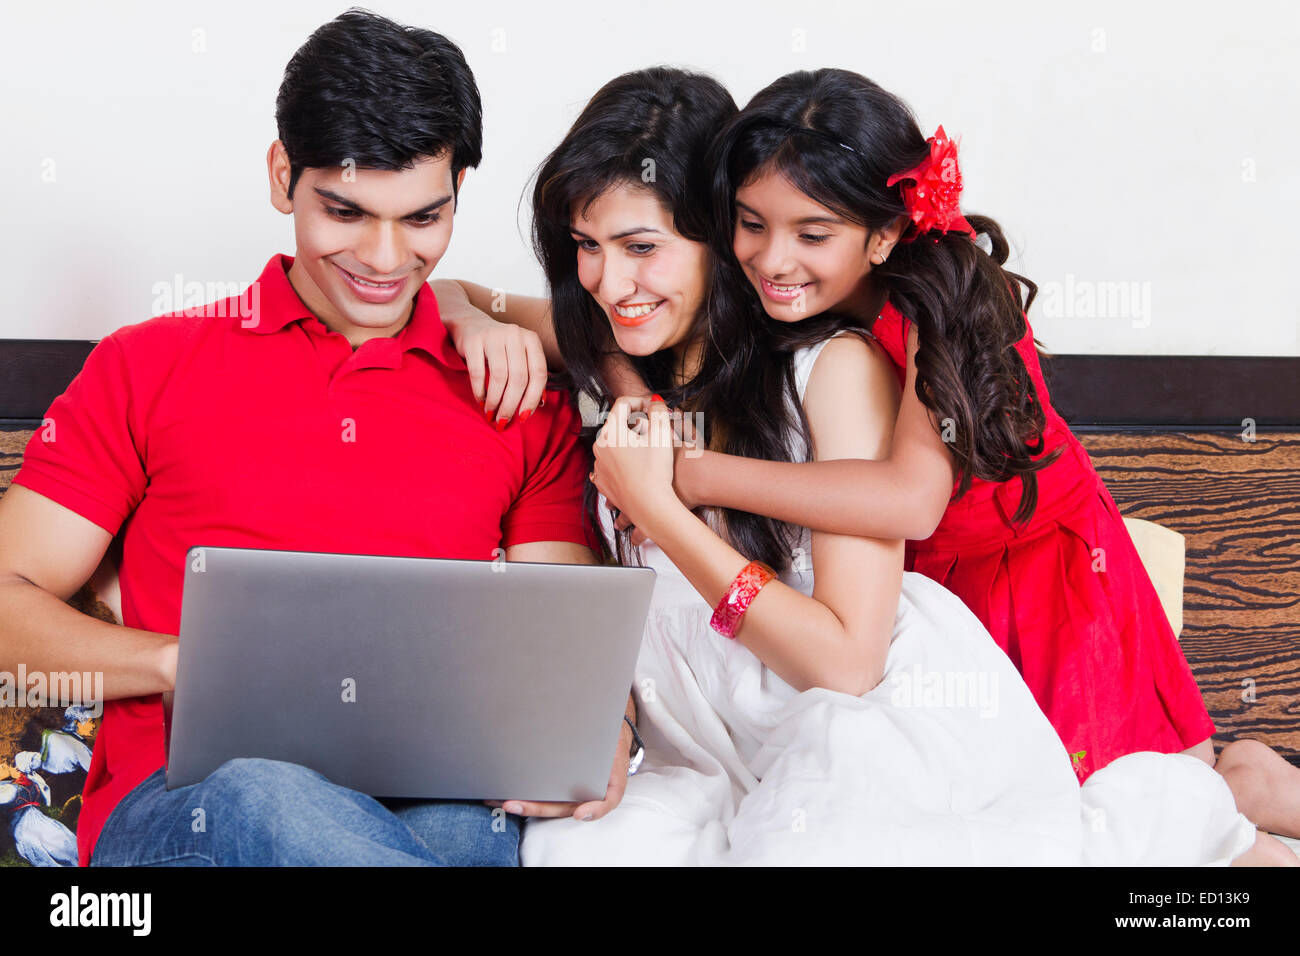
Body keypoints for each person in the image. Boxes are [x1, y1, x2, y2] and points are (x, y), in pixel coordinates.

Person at [445, 68, 1300, 856]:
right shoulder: (688, 335)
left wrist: (681, 484)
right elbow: (526, 310)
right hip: (907, 593)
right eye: (754, 225)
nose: (775, 259)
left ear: (887, 231)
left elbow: (911, 500)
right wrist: (490, 321)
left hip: (1030, 562)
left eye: (639, 246)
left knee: (1132, 804)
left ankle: (1245, 791)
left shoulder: (923, 316)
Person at [0, 9, 630, 868]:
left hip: (425, 792)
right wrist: (185, 663)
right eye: (344, 211)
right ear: (280, 175)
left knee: (464, 823)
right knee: (265, 791)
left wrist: (604, 731)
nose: (383, 256)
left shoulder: (512, 393)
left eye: (422, 219)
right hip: (194, 803)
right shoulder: (148, 365)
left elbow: (561, 639)